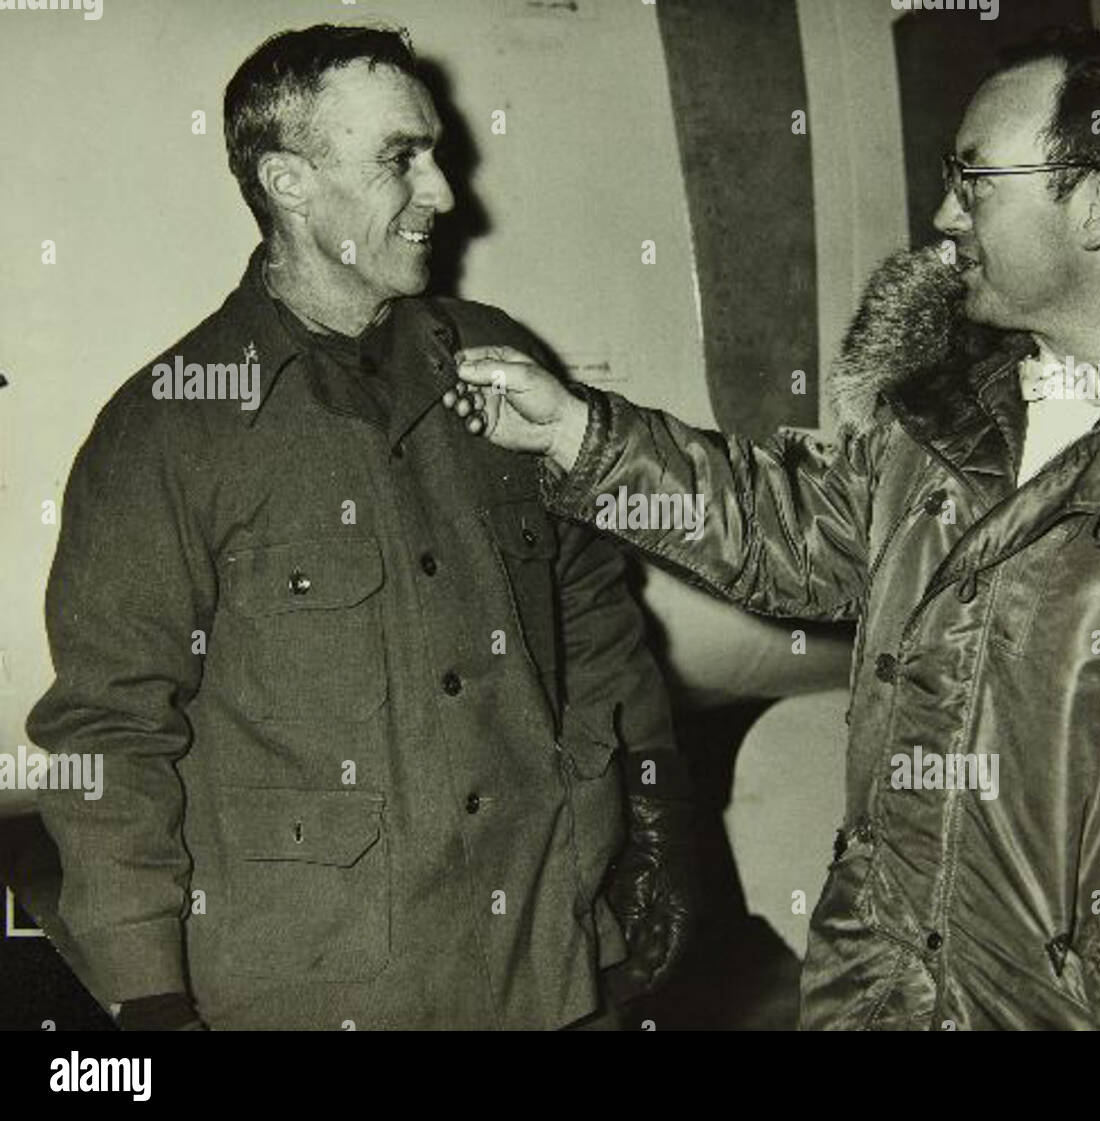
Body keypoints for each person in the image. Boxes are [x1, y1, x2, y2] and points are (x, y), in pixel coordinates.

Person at [444, 28, 1100, 1029]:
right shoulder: (950, 407)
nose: (942, 216)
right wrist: (583, 436)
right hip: (887, 992)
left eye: (975, 180)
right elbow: (794, 527)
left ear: (1098, 204)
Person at [27, 23, 694, 1031]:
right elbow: (110, 733)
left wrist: (649, 814)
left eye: (434, 152)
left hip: (546, 964)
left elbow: (593, 607)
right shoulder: (167, 431)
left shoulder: (501, 364)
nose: (443, 193)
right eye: (401, 159)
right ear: (287, 181)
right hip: (325, 986)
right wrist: (148, 996)